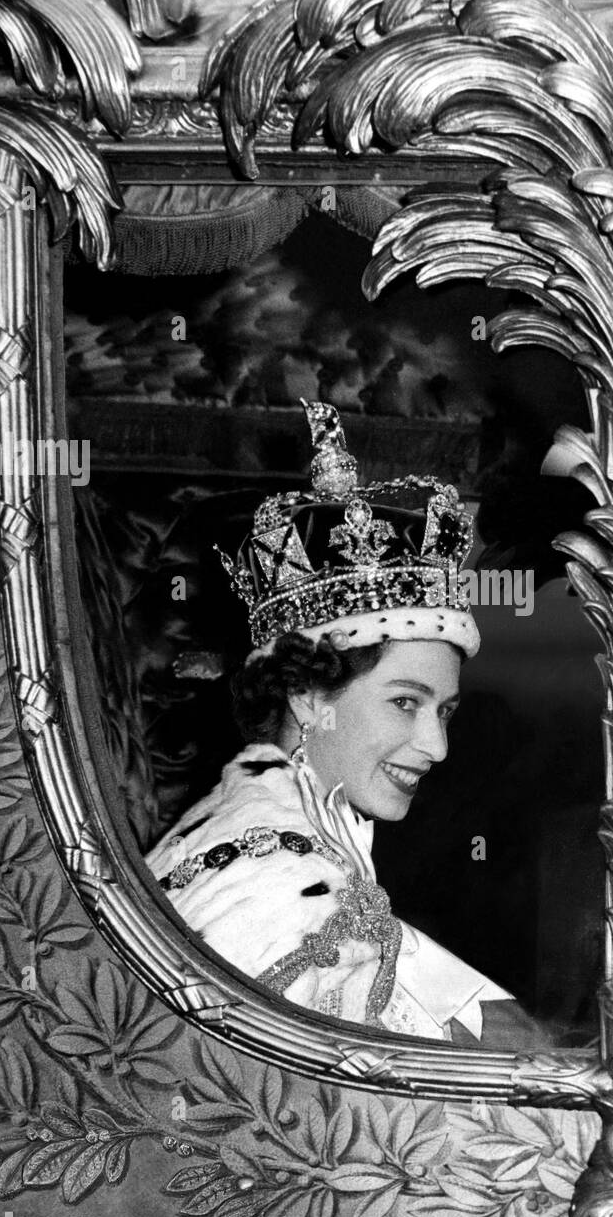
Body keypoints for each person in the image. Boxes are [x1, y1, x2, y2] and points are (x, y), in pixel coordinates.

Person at [146, 400, 549, 1047]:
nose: (436, 746)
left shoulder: (281, 830)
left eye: (443, 712)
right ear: (307, 696)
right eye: (404, 703)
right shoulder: (281, 881)